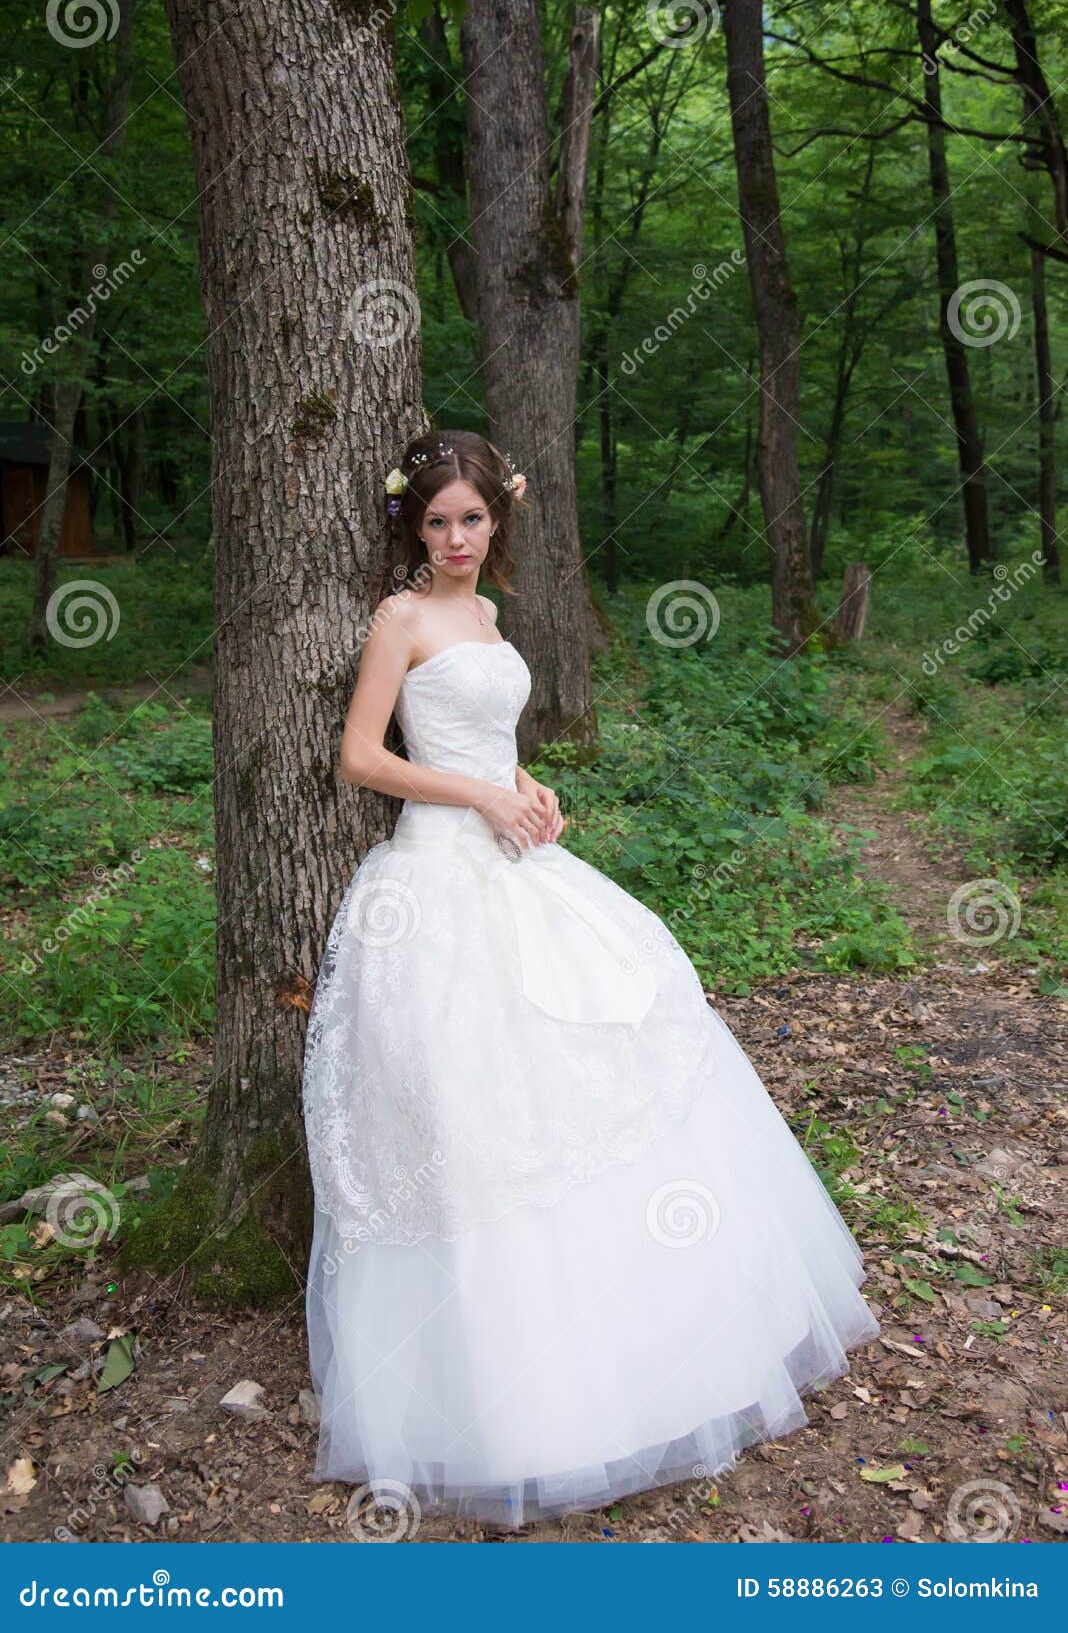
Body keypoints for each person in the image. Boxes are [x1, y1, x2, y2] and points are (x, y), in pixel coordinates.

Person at [302, 430, 880, 1534]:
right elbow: (363, 757)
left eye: (473, 519)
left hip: (513, 852)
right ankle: (493, 1392)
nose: (458, 538)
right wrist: (478, 799)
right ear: (411, 528)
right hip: (433, 875)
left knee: (615, 1027)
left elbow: (480, 733)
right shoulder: (404, 617)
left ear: (496, 522)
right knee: (474, 1107)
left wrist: (527, 783)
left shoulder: (486, 615)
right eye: (438, 522)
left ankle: (636, 1344)